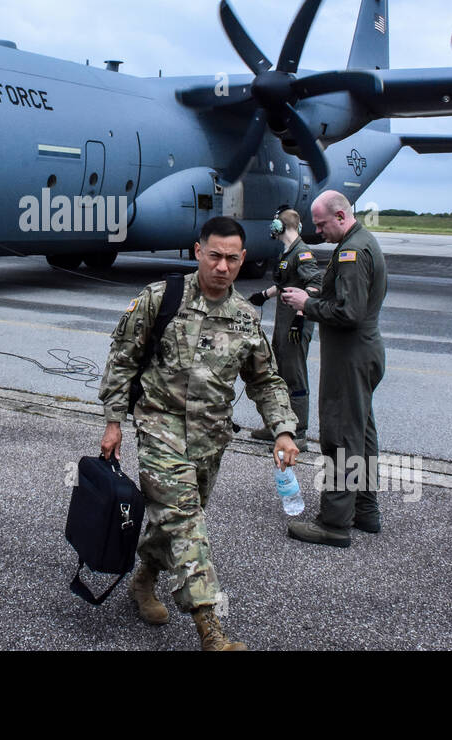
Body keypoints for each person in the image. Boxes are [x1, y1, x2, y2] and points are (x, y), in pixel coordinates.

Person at [98, 216, 298, 650]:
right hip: (158, 427)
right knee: (187, 522)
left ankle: (144, 581)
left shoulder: (245, 319)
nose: (222, 267)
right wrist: (114, 421)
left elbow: (265, 381)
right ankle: (211, 630)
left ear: (243, 259)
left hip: (210, 441)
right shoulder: (160, 298)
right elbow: (122, 359)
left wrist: (282, 430)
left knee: (171, 519)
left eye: (231, 258)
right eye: (214, 256)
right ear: (197, 252)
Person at [281, 190, 387, 548]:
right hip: (360, 353)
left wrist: (306, 303)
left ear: (341, 216)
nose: (317, 230)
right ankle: (365, 509)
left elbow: (349, 313)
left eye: (322, 223)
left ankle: (334, 522)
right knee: (362, 434)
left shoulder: (352, 252)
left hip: (349, 356)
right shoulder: (361, 242)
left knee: (340, 435)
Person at [245, 207, 321, 448]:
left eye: (274, 225)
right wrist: (263, 295)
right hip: (283, 321)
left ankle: (299, 432)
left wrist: (301, 315)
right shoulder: (288, 253)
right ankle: (278, 425)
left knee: (295, 374)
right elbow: (285, 283)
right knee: (279, 373)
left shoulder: (303, 253)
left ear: (279, 227)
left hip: (296, 323)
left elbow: (315, 284)